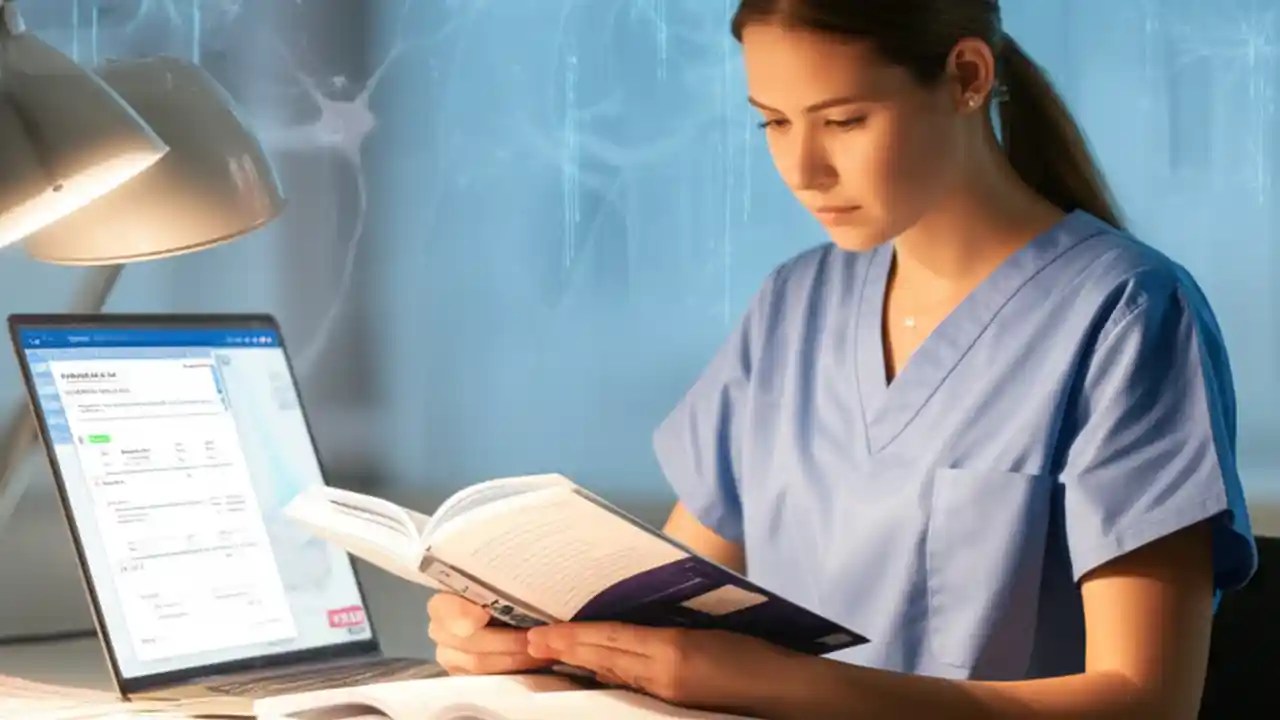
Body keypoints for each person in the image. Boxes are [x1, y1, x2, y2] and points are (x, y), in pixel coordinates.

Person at [425, 1, 1259, 717]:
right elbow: (672, 609)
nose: (802, 169)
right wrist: (535, 635)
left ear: (968, 78)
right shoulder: (795, 305)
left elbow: (1145, 698)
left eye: (845, 121)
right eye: (774, 122)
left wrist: (788, 688)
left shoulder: (1125, 314)